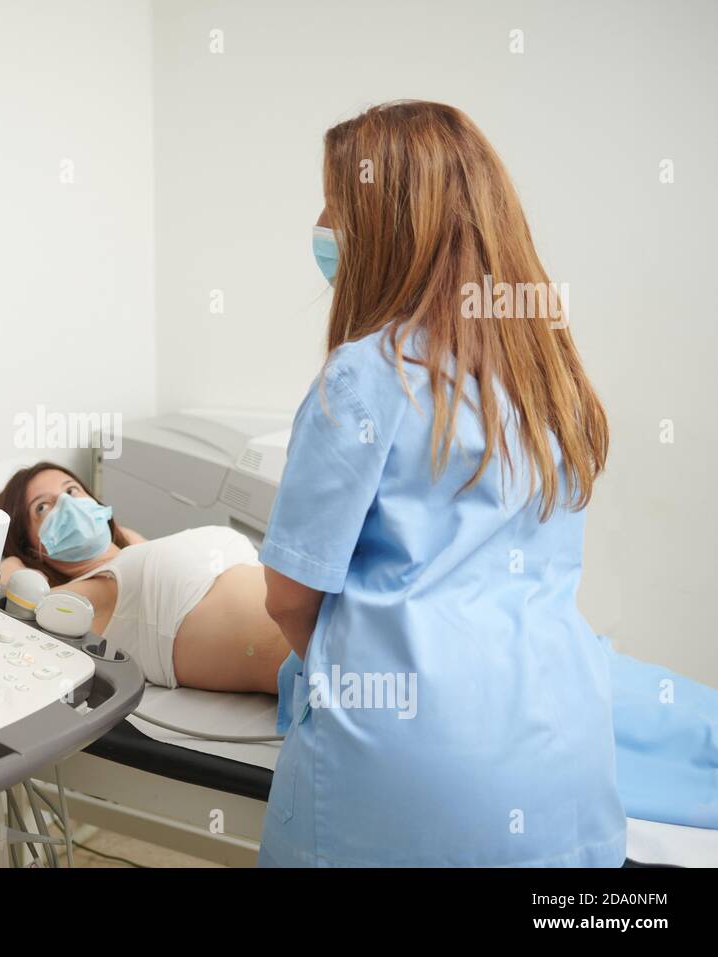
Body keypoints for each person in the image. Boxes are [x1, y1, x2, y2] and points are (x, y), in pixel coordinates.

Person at [257, 100, 625, 866]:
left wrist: (345, 674)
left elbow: (290, 598)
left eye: (336, 202)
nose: (323, 225)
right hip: (566, 742)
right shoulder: (543, 377)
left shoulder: (365, 377)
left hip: (409, 770)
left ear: (390, 224)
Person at [0, 463, 291, 692]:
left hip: (320, 607)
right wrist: (12, 561)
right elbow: (18, 604)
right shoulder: (81, 598)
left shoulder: (136, 556)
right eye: (43, 507)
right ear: (31, 546)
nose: (68, 505)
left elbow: (135, 549)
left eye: (71, 491)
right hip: (314, 646)